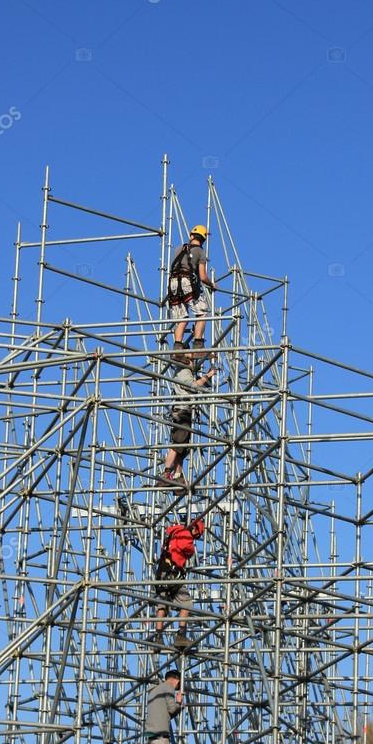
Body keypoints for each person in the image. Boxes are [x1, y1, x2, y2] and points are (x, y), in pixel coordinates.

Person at [159, 359, 216, 489]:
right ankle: (166, 473)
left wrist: (207, 377)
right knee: (178, 443)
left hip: (186, 411)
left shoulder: (188, 372)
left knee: (182, 448)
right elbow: (193, 385)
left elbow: (200, 385)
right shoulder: (183, 371)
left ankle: (178, 476)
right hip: (182, 411)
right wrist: (208, 375)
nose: (195, 362)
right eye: (192, 359)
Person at [152, 518, 205, 651]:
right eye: (196, 535)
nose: (195, 537)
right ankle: (181, 636)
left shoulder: (173, 532)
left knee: (162, 605)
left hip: (163, 572)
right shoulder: (185, 535)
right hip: (173, 572)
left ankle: (158, 637)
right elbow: (188, 549)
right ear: (194, 529)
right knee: (186, 603)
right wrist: (191, 549)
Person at [168, 225, 216, 358]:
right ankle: (198, 345)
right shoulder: (200, 252)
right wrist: (211, 284)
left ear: (191, 236)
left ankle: (177, 349)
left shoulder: (178, 249)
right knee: (201, 313)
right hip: (187, 282)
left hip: (173, 284)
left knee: (182, 317)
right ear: (203, 239)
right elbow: (203, 276)